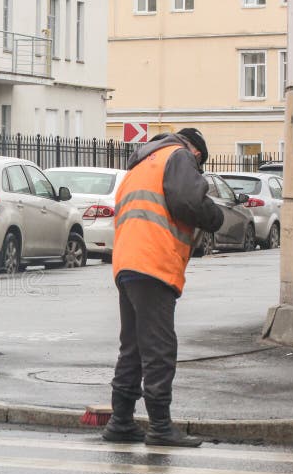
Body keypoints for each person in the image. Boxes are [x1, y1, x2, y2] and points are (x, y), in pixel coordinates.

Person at [103, 128, 224, 448]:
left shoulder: (141, 165)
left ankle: (121, 421)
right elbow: (188, 200)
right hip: (153, 262)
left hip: (127, 263)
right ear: (196, 154)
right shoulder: (179, 156)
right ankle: (159, 426)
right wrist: (216, 216)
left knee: (133, 347)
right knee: (159, 348)